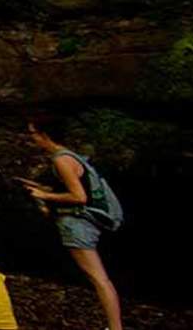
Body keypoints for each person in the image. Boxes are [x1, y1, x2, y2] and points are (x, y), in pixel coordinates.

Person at [20, 114, 125, 330]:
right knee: (99, 278)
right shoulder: (71, 156)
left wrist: (44, 196)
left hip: (78, 225)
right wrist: (42, 189)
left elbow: (79, 197)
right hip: (80, 222)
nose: (30, 138)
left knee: (99, 278)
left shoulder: (61, 160)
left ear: (44, 135)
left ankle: (115, 327)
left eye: (32, 133)